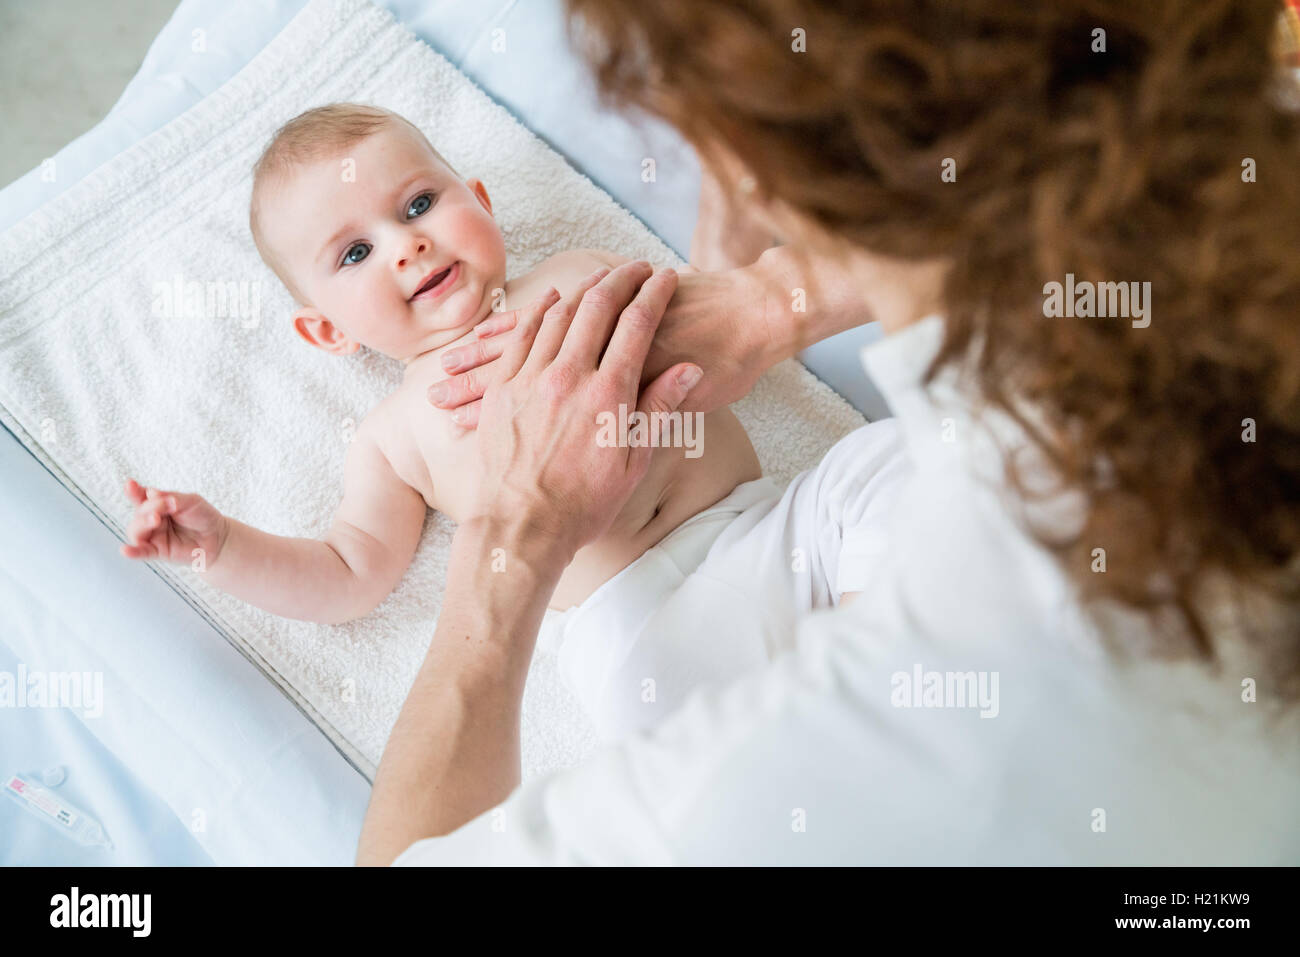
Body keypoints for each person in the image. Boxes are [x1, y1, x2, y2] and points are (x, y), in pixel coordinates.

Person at [355, 0, 1300, 865]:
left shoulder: (826, 750)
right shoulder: (1255, 131)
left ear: (748, 167)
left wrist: (513, 536)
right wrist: (775, 300)